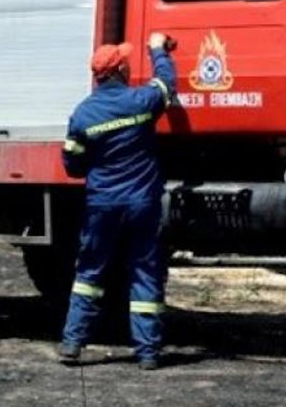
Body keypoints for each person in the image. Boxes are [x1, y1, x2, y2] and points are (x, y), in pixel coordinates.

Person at [58, 32, 177, 371]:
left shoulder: (82, 115)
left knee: (90, 272)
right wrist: (158, 50)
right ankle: (148, 353)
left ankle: (72, 343)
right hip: (141, 204)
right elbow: (167, 85)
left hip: (103, 205)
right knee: (144, 270)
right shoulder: (141, 102)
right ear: (121, 69)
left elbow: (72, 165)